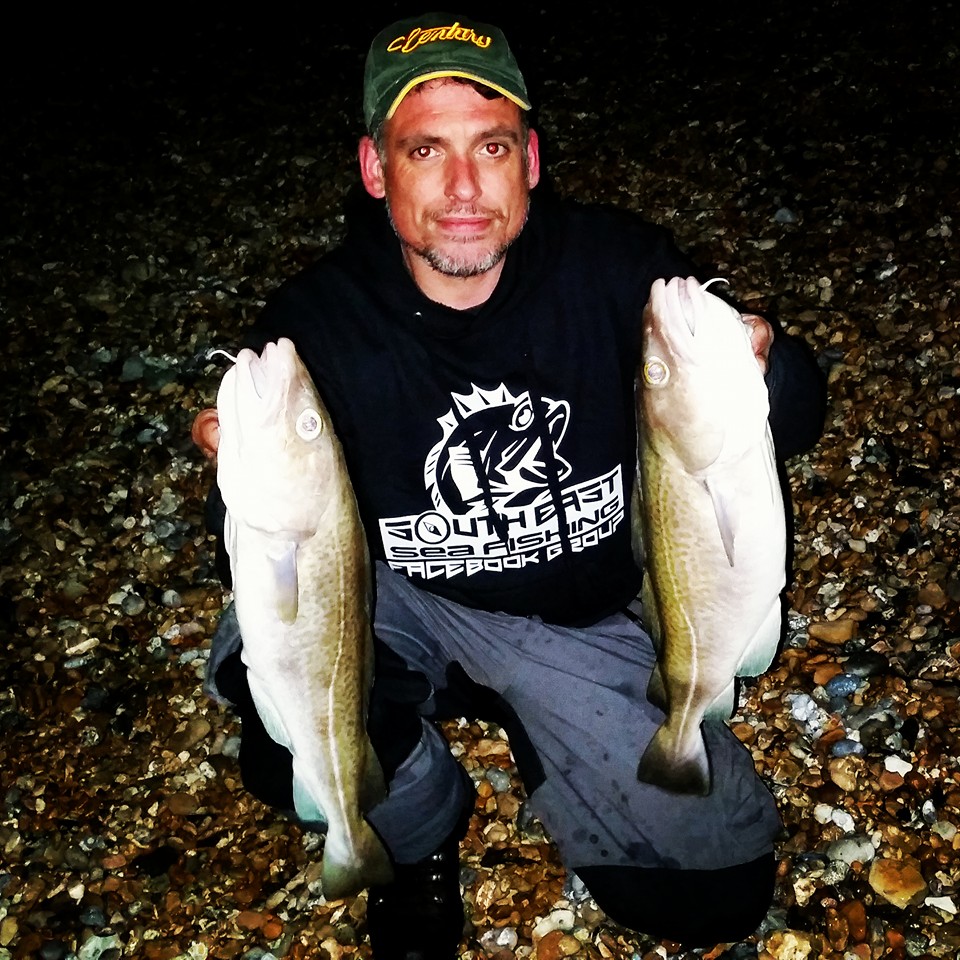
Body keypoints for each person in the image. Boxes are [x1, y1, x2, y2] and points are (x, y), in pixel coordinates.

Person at [192, 12, 826, 959]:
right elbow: (267, 541)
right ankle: (416, 844)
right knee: (277, 697)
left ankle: (543, 719)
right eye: (423, 150)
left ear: (528, 159)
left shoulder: (618, 268)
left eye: (489, 146)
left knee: (716, 898)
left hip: (585, 618)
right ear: (375, 170)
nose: (461, 189)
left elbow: (796, 415)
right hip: (409, 601)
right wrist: (231, 474)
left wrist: (761, 370)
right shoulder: (317, 322)